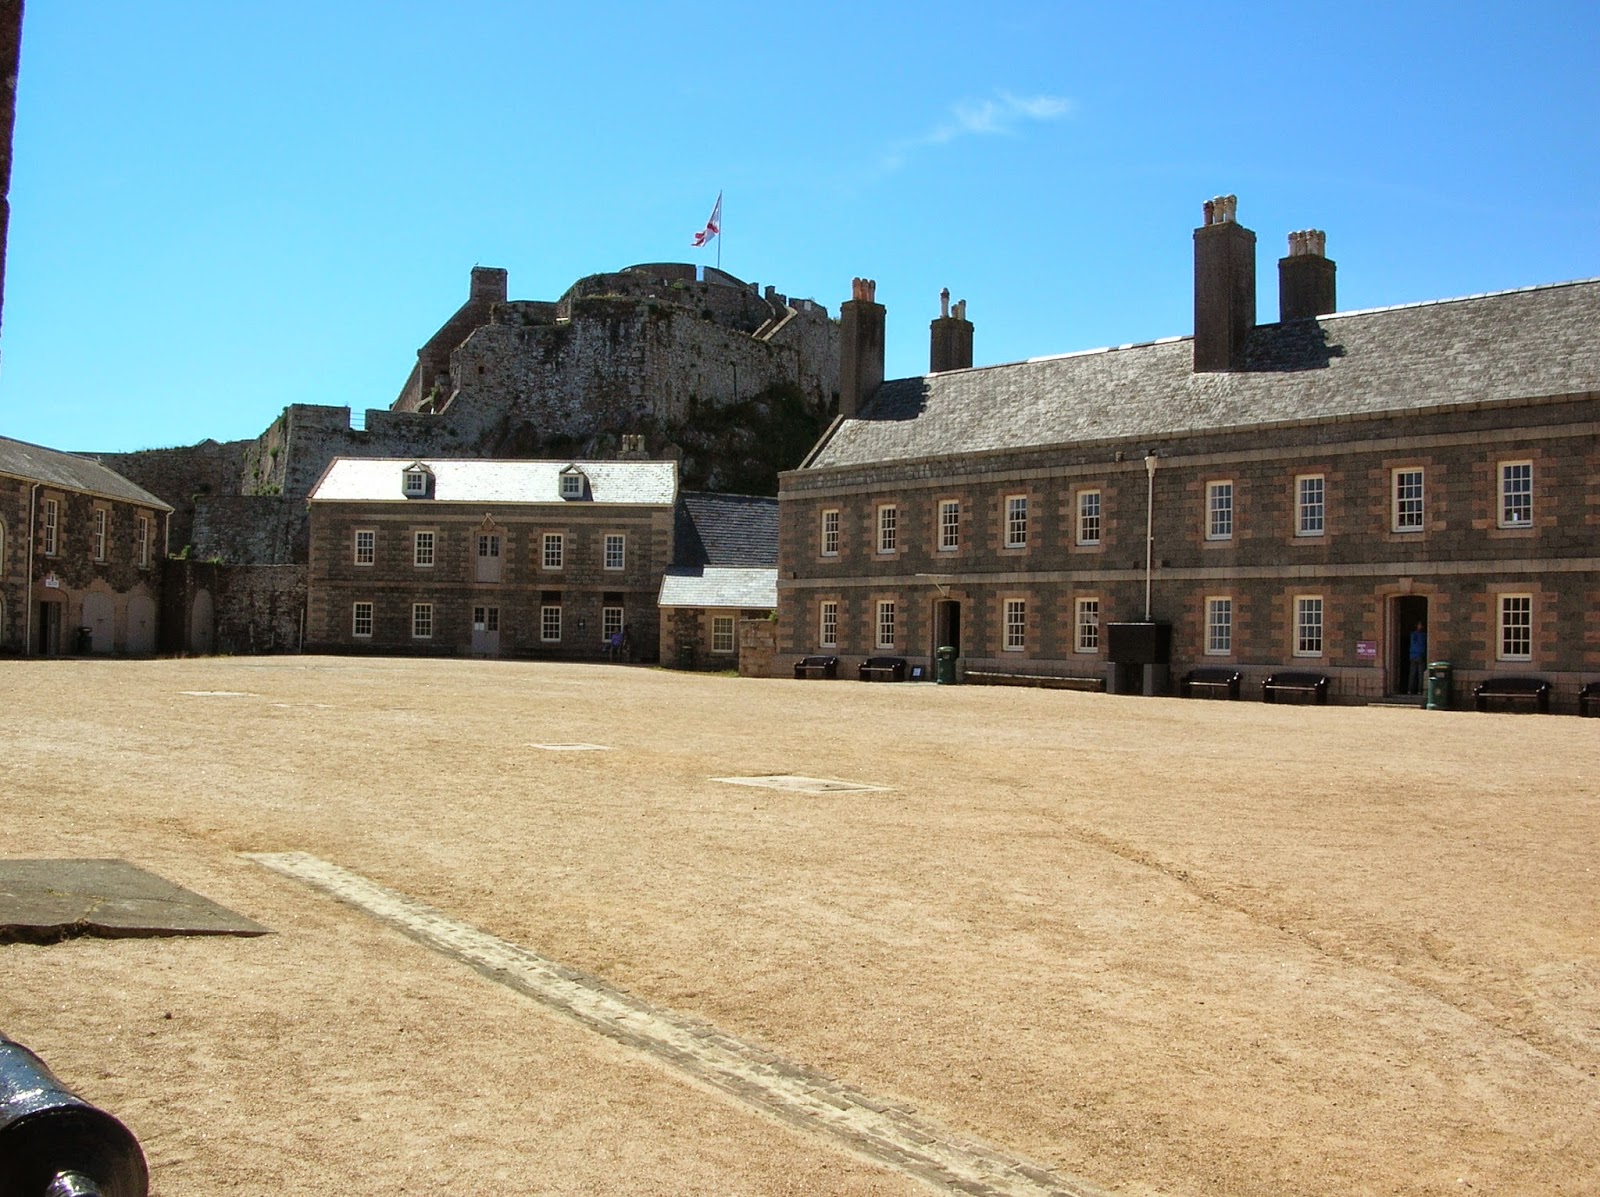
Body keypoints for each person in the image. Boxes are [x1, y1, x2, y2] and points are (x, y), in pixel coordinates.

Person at [1408, 621, 1427, 694]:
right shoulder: (1423, 635)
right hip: (1420, 655)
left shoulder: (1413, 635)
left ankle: (1410, 690)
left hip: (1413, 655)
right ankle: (1420, 690)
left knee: (1412, 674)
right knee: (1420, 674)